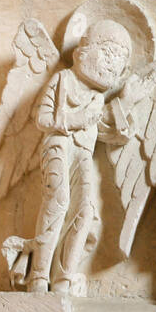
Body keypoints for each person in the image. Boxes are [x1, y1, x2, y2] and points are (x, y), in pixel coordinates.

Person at [23, 21, 132, 294]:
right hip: (58, 146)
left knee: (84, 210)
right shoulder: (63, 80)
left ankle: (64, 277)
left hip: (82, 153)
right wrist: (74, 119)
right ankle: (38, 275)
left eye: (119, 59)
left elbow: (106, 131)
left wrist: (126, 113)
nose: (112, 64)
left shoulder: (97, 98)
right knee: (58, 201)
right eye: (108, 53)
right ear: (85, 49)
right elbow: (42, 118)